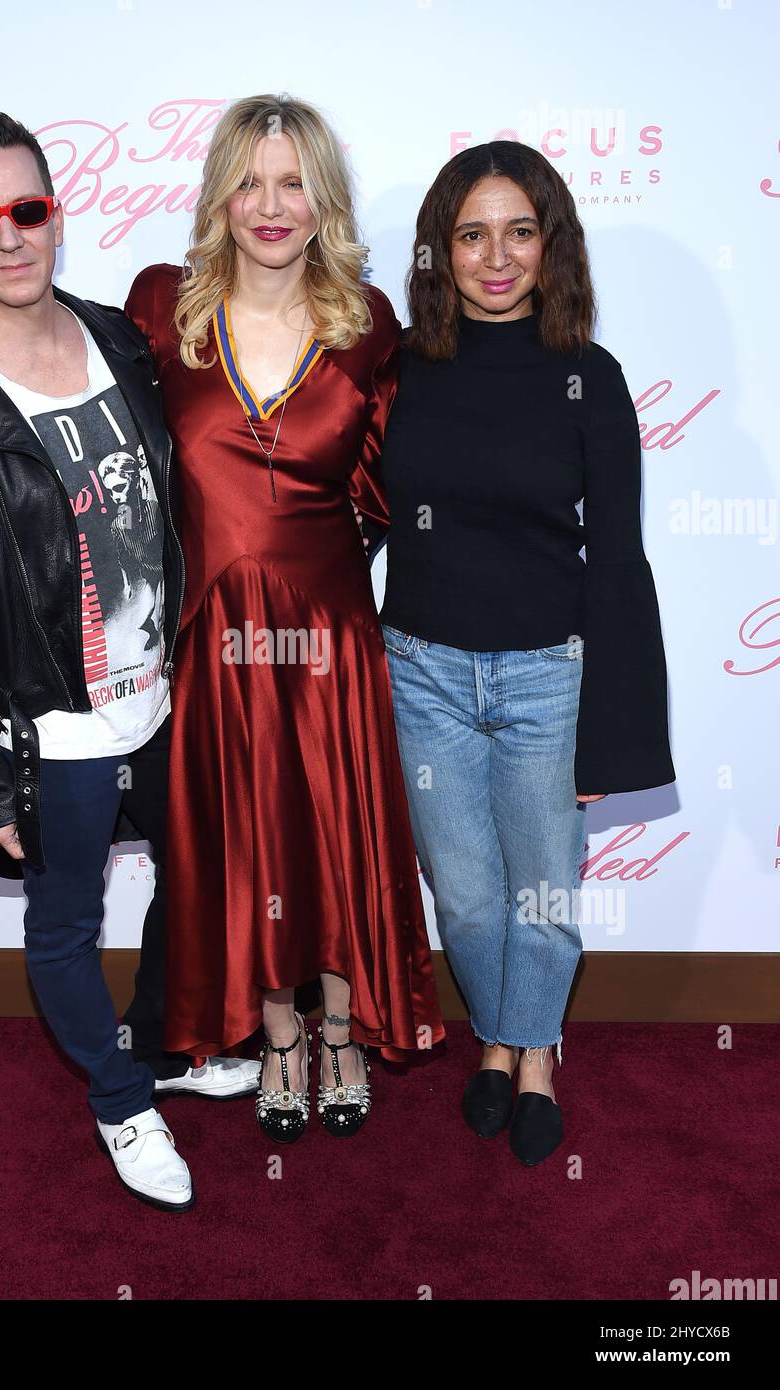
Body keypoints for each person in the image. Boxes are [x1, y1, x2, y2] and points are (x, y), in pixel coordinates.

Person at [0, 111, 258, 1213]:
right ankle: (120, 1096)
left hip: (166, 695)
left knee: (195, 880)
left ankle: (159, 1043)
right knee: (64, 921)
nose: (9, 236)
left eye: (26, 210)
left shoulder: (120, 341)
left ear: (55, 213)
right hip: (51, 725)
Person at [125, 94, 445, 1144]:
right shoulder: (160, 305)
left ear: (323, 199)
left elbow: (396, 484)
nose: (271, 205)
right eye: (251, 180)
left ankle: (341, 1031)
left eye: (294, 182)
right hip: (211, 642)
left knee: (337, 830)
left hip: (329, 639)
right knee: (247, 839)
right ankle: (274, 1035)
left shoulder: (365, 320)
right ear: (221, 189)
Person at [377, 140, 676, 1166]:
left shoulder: (589, 380)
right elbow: (348, 517)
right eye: (470, 235)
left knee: (540, 890)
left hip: (549, 674)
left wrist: (615, 737)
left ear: (550, 245)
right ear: (438, 250)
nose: (494, 257)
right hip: (418, 669)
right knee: (462, 894)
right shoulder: (398, 370)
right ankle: (498, 1041)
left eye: (518, 231)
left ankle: (527, 1053)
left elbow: (617, 558)